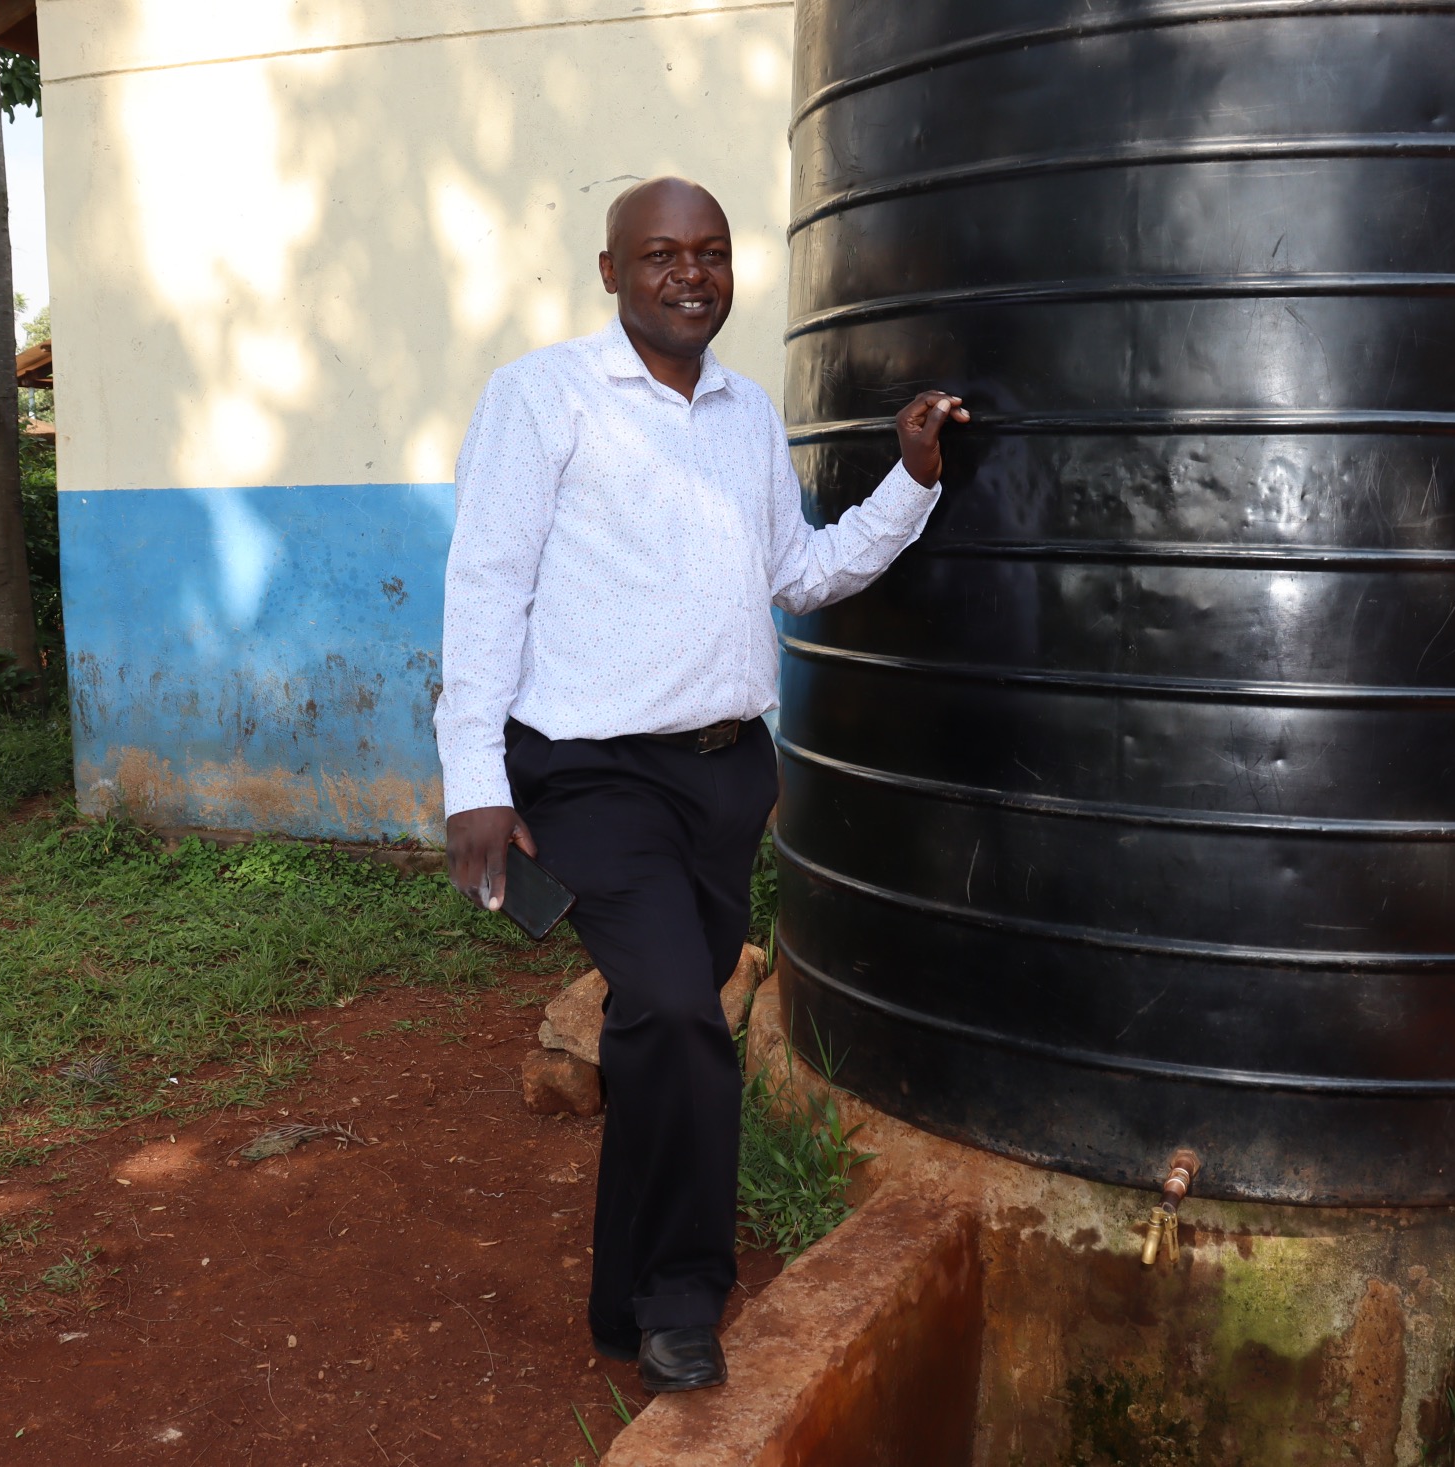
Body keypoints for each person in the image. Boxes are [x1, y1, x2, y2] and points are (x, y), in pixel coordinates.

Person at [433, 176, 965, 1393]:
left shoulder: (741, 414)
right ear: (611, 271)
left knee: (655, 1029)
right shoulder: (541, 398)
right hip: (589, 773)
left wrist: (913, 479)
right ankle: (683, 1297)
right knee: (678, 1014)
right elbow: (485, 586)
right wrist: (474, 778)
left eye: (712, 254)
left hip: (727, 778)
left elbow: (805, 573)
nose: (692, 274)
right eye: (662, 254)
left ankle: (622, 1304)